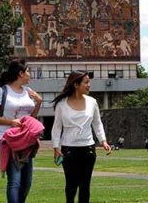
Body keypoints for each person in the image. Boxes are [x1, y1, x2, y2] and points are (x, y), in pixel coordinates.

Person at [0, 59, 42, 203]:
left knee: (27, 182)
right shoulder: (1, 92)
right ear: (21, 73)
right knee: (15, 181)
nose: (30, 74)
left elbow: (31, 118)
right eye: (28, 71)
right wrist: (11, 122)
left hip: (26, 140)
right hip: (9, 140)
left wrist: (39, 102)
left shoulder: (28, 92)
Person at [52, 70, 111, 203]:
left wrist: (103, 141)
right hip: (68, 149)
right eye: (86, 82)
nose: (89, 85)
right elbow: (57, 127)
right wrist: (56, 147)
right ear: (76, 85)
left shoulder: (92, 102)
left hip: (88, 148)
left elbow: (97, 123)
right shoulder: (62, 104)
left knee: (85, 185)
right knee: (71, 185)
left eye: (89, 82)